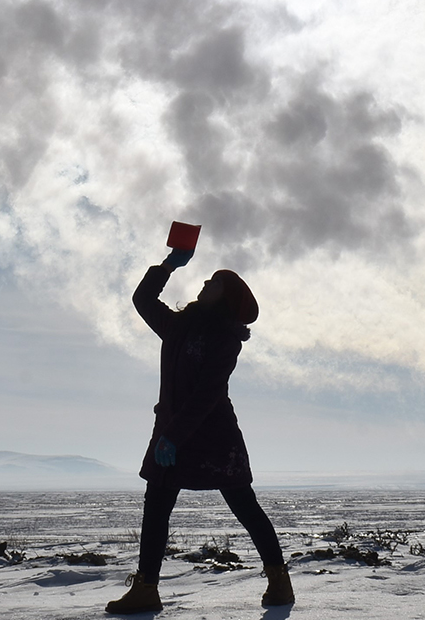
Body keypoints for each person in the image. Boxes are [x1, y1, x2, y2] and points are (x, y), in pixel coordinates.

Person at [105, 246, 293, 614]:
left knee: (245, 507)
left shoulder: (224, 338)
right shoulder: (178, 325)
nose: (205, 284)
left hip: (213, 437)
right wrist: (168, 265)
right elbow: (142, 299)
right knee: (156, 507)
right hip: (172, 430)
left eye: (214, 284)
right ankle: (146, 589)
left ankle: (279, 581)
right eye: (208, 280)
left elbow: (208, 392)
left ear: (227, 299)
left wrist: (173, 435)